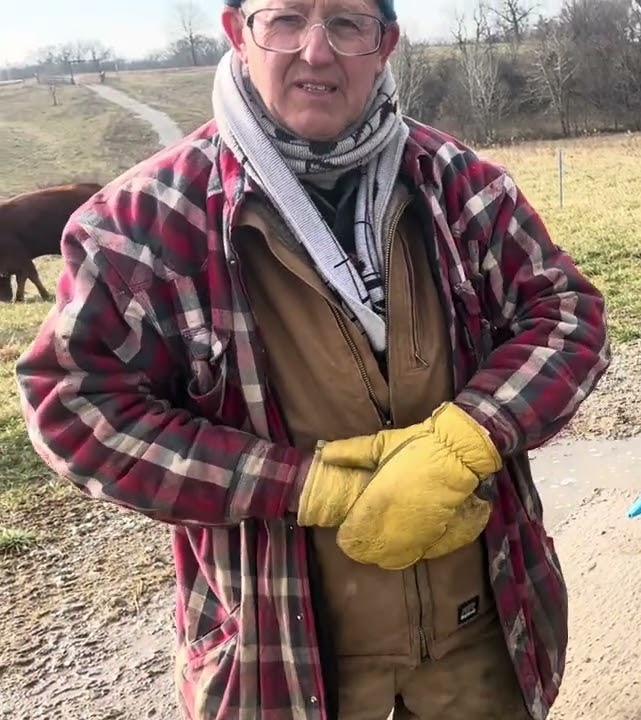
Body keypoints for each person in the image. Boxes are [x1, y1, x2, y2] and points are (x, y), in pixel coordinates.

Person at [14, 0, 611, 718]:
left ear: (385, 44)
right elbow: (76, 408)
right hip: (281, 658)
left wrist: (470, 437)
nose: (317, 51)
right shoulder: (141, 224)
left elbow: (567, 316)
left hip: (481, 643)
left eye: (348, 24)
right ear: (238, 34)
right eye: (287, 18)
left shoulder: (460, 186)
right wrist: (301, 486)